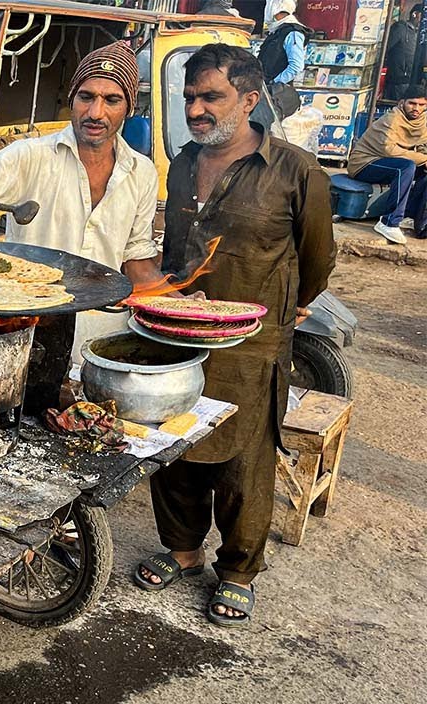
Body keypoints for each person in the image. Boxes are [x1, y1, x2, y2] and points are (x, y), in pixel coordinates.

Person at [134, 44, 335, 628]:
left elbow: (317, 258)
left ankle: (240, 569)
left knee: (244, 459)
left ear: (249, 99)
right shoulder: (182, 161)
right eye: (190, 97)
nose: (196, 108)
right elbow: (173, 249)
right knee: (173, 446)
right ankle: (182, 549)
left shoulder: (296, 170)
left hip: (251, 342)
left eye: (210, 97)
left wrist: (290, 307)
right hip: (179, 330)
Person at [0, 42, 169, 349]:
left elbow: (136, 261)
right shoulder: (30, 156)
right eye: (86, 97)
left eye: (111, 100)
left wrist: (181, 304)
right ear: (72, 99)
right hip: (29, 330)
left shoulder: (142, 172)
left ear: (129, 107)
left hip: (103, 336)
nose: (95, 113)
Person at [347, 88, 427, 244]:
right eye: (412, 103)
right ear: (401, 103)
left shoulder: (422, 122)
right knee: (405, 167)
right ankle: (389, 222)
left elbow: (423, 145)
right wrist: (424, 159)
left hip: (392, 162)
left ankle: (409, 215)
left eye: (421, 104)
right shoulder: (391, 119)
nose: (416, 108)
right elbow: (389, 150)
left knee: (420, 169)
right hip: (365, 163)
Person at [259, 0, 307, 117]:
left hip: (278, 94)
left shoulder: (293, 33)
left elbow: (296, 66)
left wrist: (275, 83)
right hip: (266, 89)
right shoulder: (277, 31)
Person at [384, 4, 421, 101]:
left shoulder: (416, 33)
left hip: (410, 80)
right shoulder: (400, 28)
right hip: (397, 80)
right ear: (415, 14)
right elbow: (386, 48)